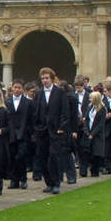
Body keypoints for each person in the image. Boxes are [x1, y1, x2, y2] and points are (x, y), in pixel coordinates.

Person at [32, 67, 72, 195]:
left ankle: (56, 183)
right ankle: (48, 182)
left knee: (54, 157)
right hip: (42, 131)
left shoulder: (59, 92)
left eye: (47, 78)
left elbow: (65, 112)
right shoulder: (38, 93)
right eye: (42, 78)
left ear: (52, 79)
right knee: (42, 157)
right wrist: (37, 128)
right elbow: (35, 112)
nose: (44, 80)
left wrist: (61, 128)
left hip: (56, 131)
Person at [5, 79, 32, 189]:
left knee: (21, 157)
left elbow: (31, 118)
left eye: (19, 87)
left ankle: (23, 179)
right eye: (15, 87)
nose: (16, 89)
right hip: (10, 134)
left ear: (23, 89)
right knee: (12, 157)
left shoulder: (28, 102)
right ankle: (14, 180)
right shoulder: (7, 102)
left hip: (23, 133)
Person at [83, 91, 107, 178]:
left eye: (91, 98)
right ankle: (88, 169)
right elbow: (86, 119)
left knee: (96, 153)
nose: (90, 99)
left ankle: (95, 170)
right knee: (89, 152)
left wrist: (93, 134)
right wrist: (86, 131)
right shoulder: (90, 107)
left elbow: (101, 124)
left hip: (97, 134)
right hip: (88, 132)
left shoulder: (102, 109)